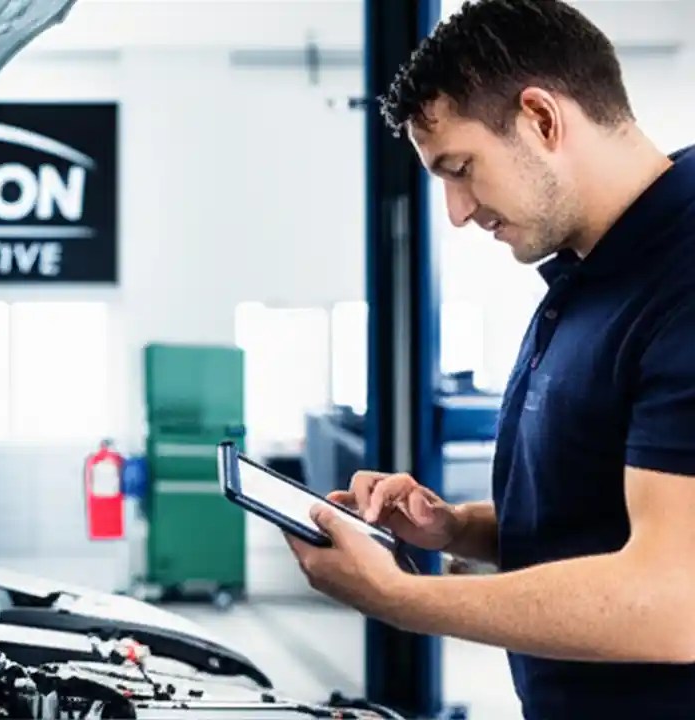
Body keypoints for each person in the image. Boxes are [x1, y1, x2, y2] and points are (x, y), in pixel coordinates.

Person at [282, 1, 695, 718]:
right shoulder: (589, 274)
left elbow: (675, 600)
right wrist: (454, 528)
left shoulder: (684, 274)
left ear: (541, 119)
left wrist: (402, 598)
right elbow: (599, 518)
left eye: (461, 168)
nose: (456, 211)